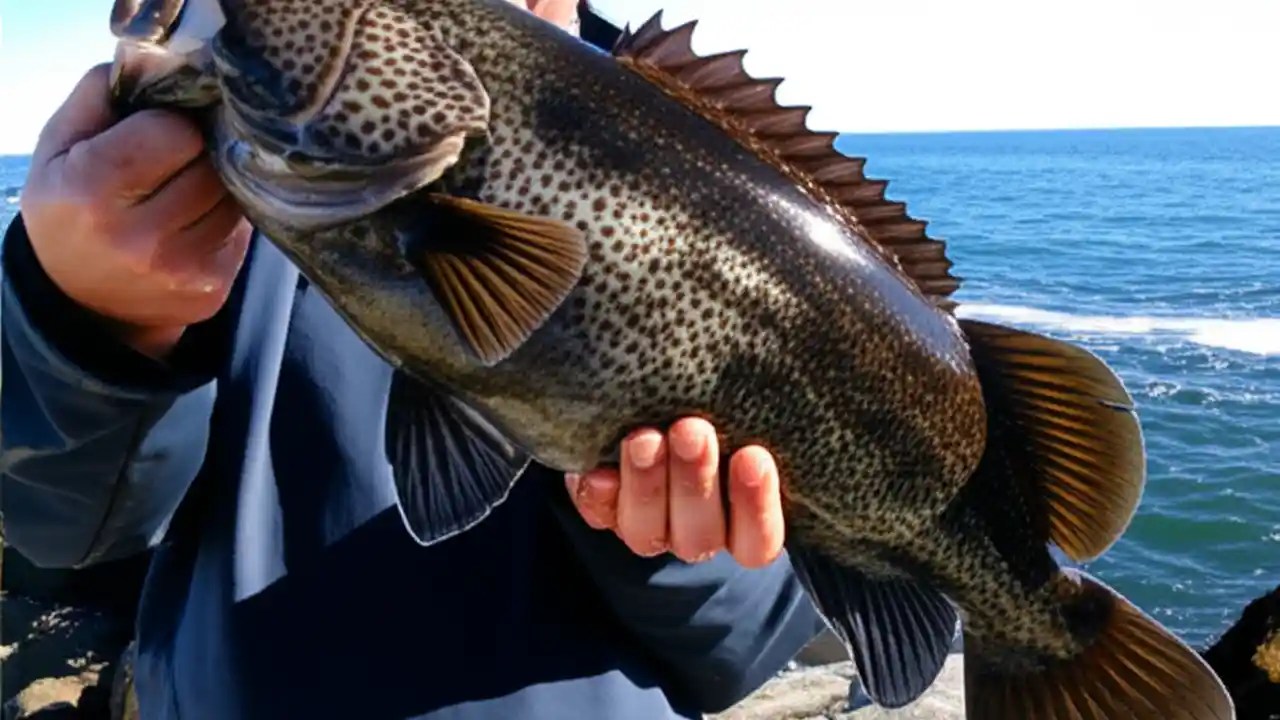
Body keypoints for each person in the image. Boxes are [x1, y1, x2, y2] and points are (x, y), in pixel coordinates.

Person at [0, 2, 826, 719]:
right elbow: (63, 535)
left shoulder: (707, 152)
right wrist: (83, 322)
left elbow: (747, 642)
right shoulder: (179, 174)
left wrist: (671, 534)